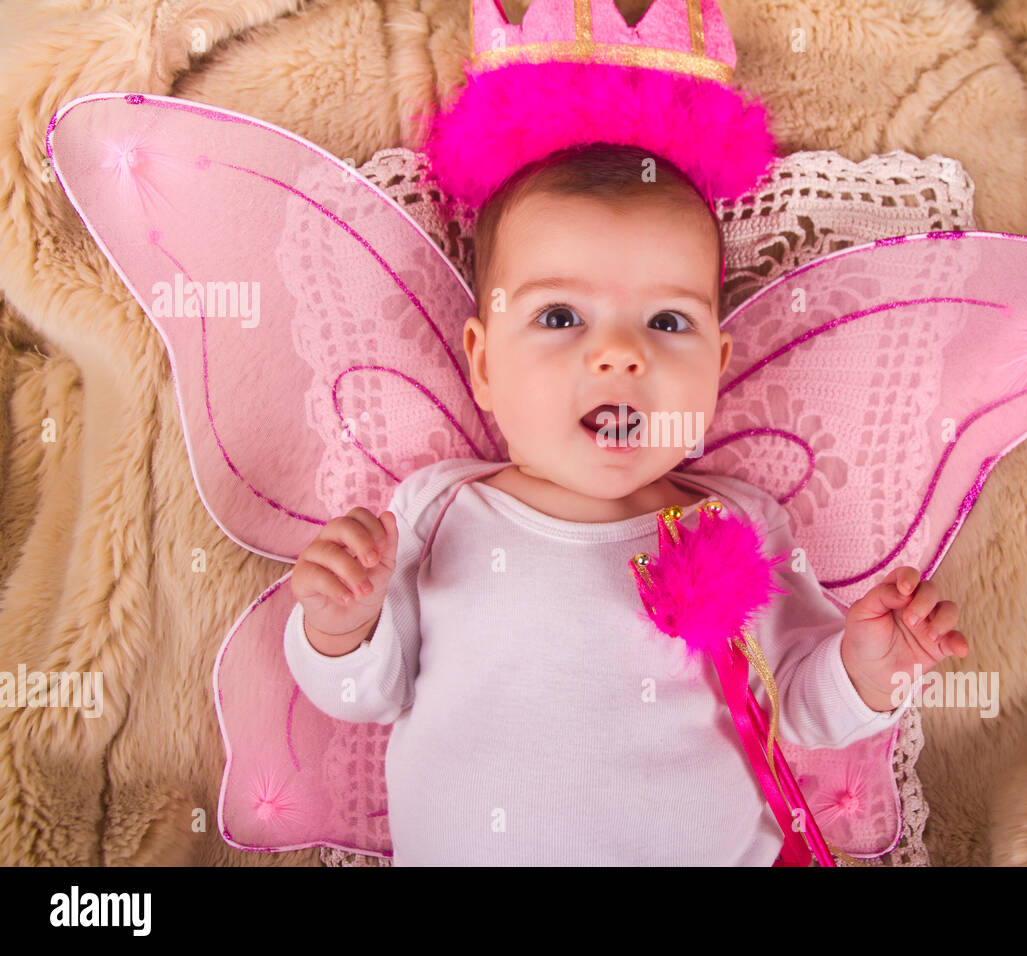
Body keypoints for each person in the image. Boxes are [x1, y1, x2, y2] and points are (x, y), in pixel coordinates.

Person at [282, 142, 968, 865]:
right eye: (559, 317)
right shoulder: (440, 511)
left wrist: (865, 667)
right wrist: (342, 626)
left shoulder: (735, 524)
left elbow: (793, 701)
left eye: (667, 323)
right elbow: (367, 694)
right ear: (484, 365)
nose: (617, 354)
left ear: (716, 369)